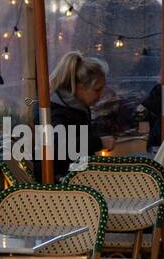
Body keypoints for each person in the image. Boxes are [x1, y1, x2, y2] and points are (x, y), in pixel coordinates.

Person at [32, 50, 113, 180]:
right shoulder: (57, 112)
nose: (100, 95)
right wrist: (98, 142)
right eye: (97, 90)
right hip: (59, 183)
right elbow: (59, 149)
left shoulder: (71, 107)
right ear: (80, 87)